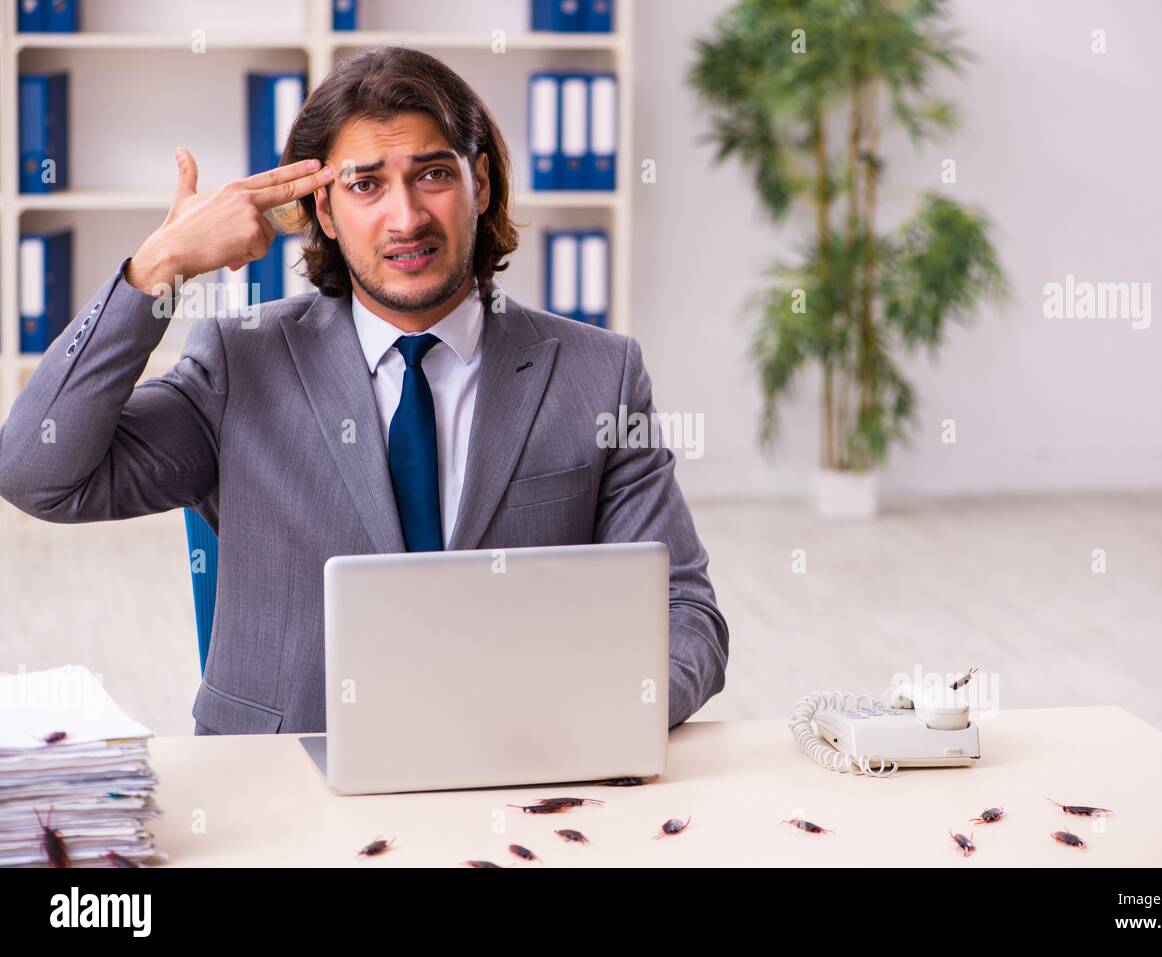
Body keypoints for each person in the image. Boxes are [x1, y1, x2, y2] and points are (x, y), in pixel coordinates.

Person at [0, 47, 728, 733]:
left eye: (433, 175)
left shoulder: (599, 373)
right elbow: (38, 474)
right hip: (287, 786)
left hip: (517, 778)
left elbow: (682, 607)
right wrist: (156, 267)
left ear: (479, 184)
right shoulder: (240, 361)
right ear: (323, 211)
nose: (405, 217)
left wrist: (596, 720)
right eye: (366, 184)